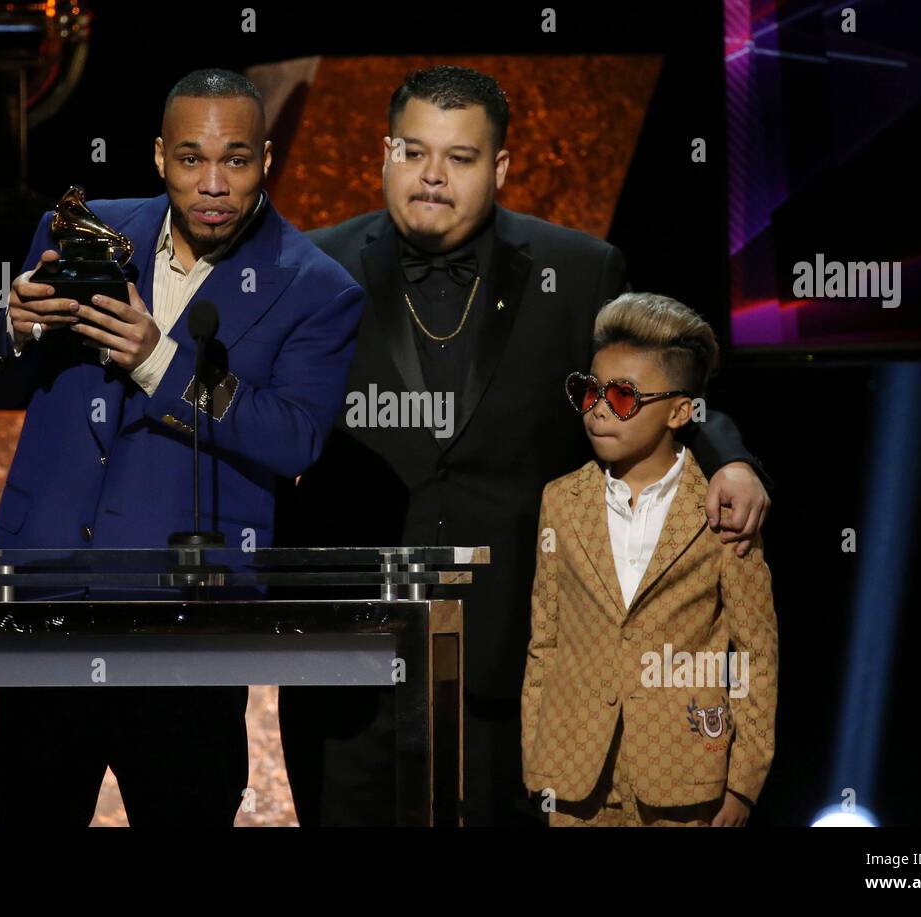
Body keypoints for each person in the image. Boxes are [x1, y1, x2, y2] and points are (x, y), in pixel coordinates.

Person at [277, 65, 772, 826]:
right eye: (413, 152)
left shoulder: (575, 268)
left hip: (512, 656)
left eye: (460, 157)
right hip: (348, 652)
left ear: (500, 166)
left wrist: (729, 457)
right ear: (385, 153)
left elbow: (657, 375)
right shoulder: (311, 266)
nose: (432, 175)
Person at [0, 69, 365, 826]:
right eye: (191, 159)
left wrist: (161, 364)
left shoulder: (317, 287)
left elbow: (293, 437)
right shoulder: (81, 233)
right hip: (42, 605)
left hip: (187, 625)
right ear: (160, 156)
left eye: (236, 160)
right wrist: (15, 329)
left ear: (266, 160)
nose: (213, 184)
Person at [523, 292, 778, 826]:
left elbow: (755, 653)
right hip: (572, 773)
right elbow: (545, 639)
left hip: (686, 773)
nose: (598, 409)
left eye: (623, 396)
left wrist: (744, 783)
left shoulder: (723, 505)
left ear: (680, 411)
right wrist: (537, 756)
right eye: (590, 391)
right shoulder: (561, 500)